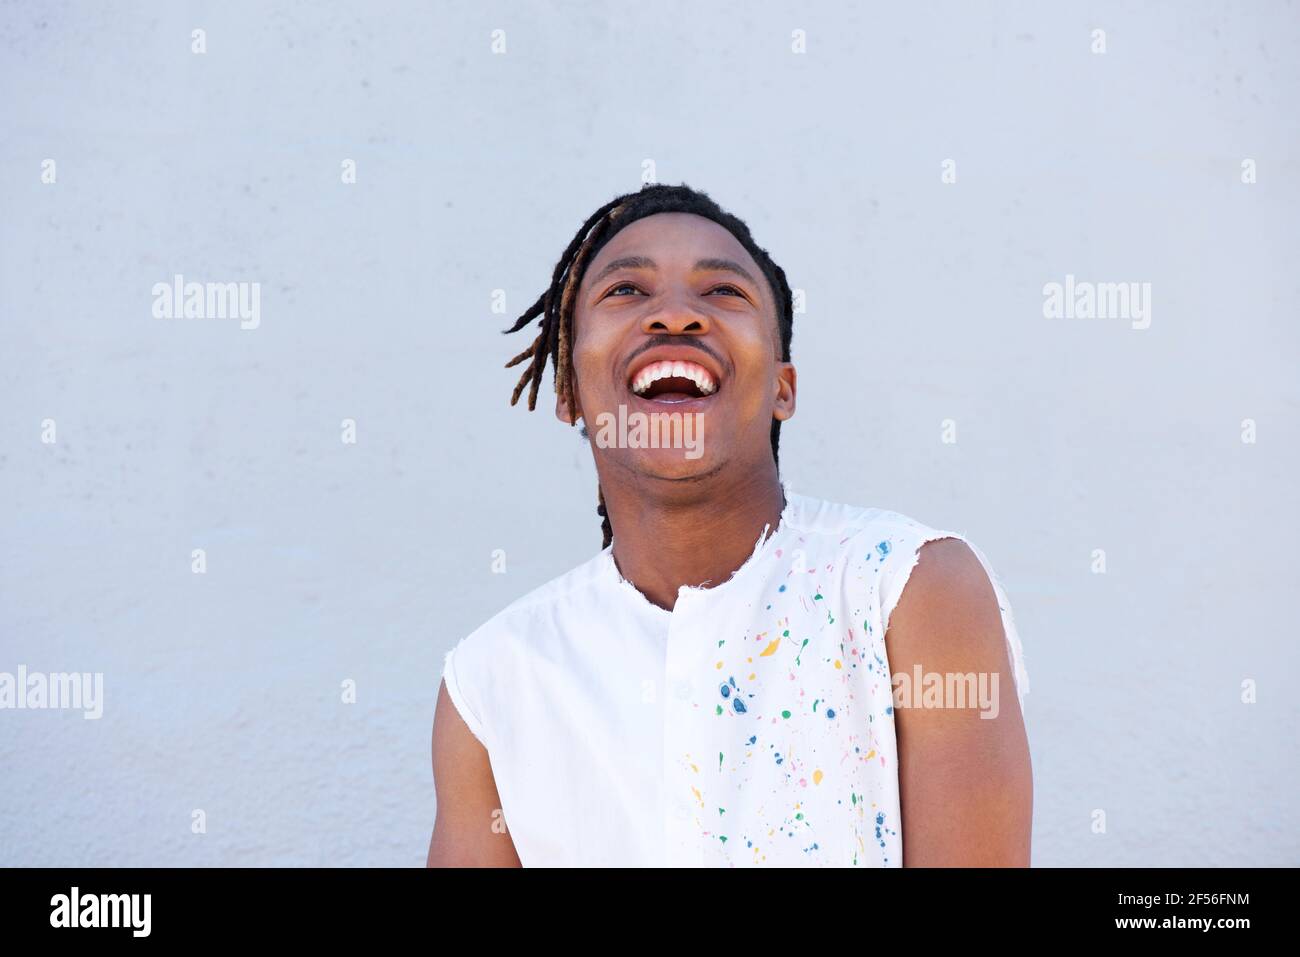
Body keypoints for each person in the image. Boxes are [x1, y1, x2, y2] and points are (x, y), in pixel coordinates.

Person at [426, 183, 1031, 867]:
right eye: (627, 291)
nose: (676, 315)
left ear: (783, 387)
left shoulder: (906, 588)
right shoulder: (494, 679)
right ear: (569, 391)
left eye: (723, 292)